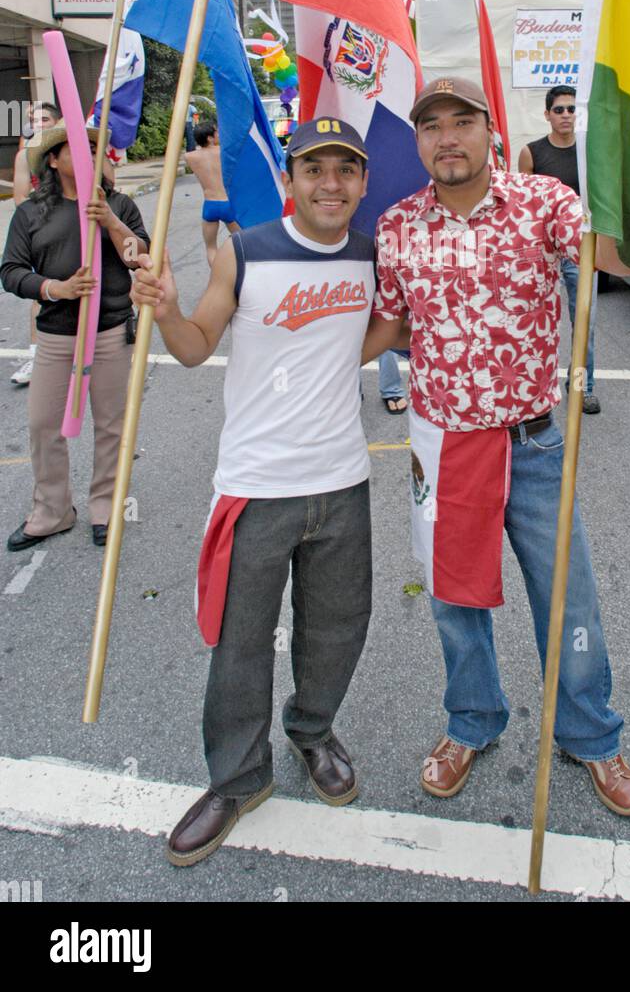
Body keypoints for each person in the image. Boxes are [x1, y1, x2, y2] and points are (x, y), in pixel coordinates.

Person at [365, 77, 630, 817]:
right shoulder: (397, 226)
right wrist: (287, 334)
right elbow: (390, 327)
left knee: (567, 598)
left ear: (492, 132)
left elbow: (610, 259)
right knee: (455, 601)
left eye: (463, 122)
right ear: (419, 140)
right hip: (442, 444)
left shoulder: (544, 204)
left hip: (533, 444)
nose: (448, 138)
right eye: (433, 126)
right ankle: (472, 722)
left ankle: (591, 736)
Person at [132, 118, 382, 868]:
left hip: (343, 481)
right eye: (314, 169)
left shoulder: (372, 256)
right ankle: (237, 779)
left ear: (362, 183)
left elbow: (372, 336)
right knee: (240, 643)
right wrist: (168, 307)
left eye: (345, 171)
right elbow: (192, 348)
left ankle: (312, 732)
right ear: (292, 179)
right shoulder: (245, 251)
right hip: (257, 486)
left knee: (336, 629)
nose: (330, 184)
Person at [1, 124, 149, 550]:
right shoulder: (32, 212)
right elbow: (11, 271)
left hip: (110, 331)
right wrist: (55, 288)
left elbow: (141, 258)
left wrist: (111, 222)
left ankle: (105, 506)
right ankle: (51, 511)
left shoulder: (118, 204)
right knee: (43, 424)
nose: (89, 155)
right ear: (53, 159)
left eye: (95, 149)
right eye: (79, 148)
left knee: (112, 425)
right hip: (56, 334)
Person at [518, 84, 600, 414]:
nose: (566, 115)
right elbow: (521, 206)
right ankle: (533, 385)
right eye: (559, 109)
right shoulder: (531, 153)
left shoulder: (589, 152)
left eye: (571, 109)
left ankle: (584, 386)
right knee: (532, 322)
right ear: (547, 115)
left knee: (585, 322)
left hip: (580, 251)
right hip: (542, 253)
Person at [10, 101, 63, 388]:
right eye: (33, 119)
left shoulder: (73, 149)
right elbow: (20, 199)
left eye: (43, 118)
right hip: (42, 229)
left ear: (57, 122)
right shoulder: (24, 156)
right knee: (40, 292)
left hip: (78, 226)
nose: (37, 123)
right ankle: (36, 355)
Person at [184, 120, 239, 268]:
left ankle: (217, 278)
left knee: (211, 247)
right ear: (209, 137)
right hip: (228, 203)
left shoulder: (190, 157)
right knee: (244, 243)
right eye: (216, 132)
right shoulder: (223, 152)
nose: (218, 135)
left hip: (210, 205)